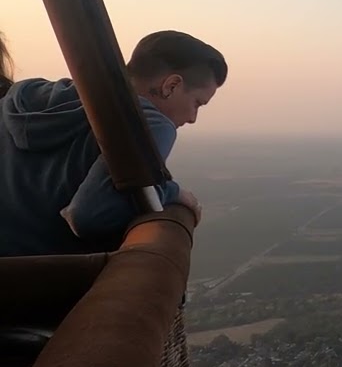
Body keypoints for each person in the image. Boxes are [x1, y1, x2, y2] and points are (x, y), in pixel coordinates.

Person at [0, 30, 224, 256]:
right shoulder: (149, 122)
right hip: (35, 279)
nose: (192, 118)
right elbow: (87, 217)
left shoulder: (25, 98)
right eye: (197, 103)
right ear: (172, 86)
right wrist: (173, 193)